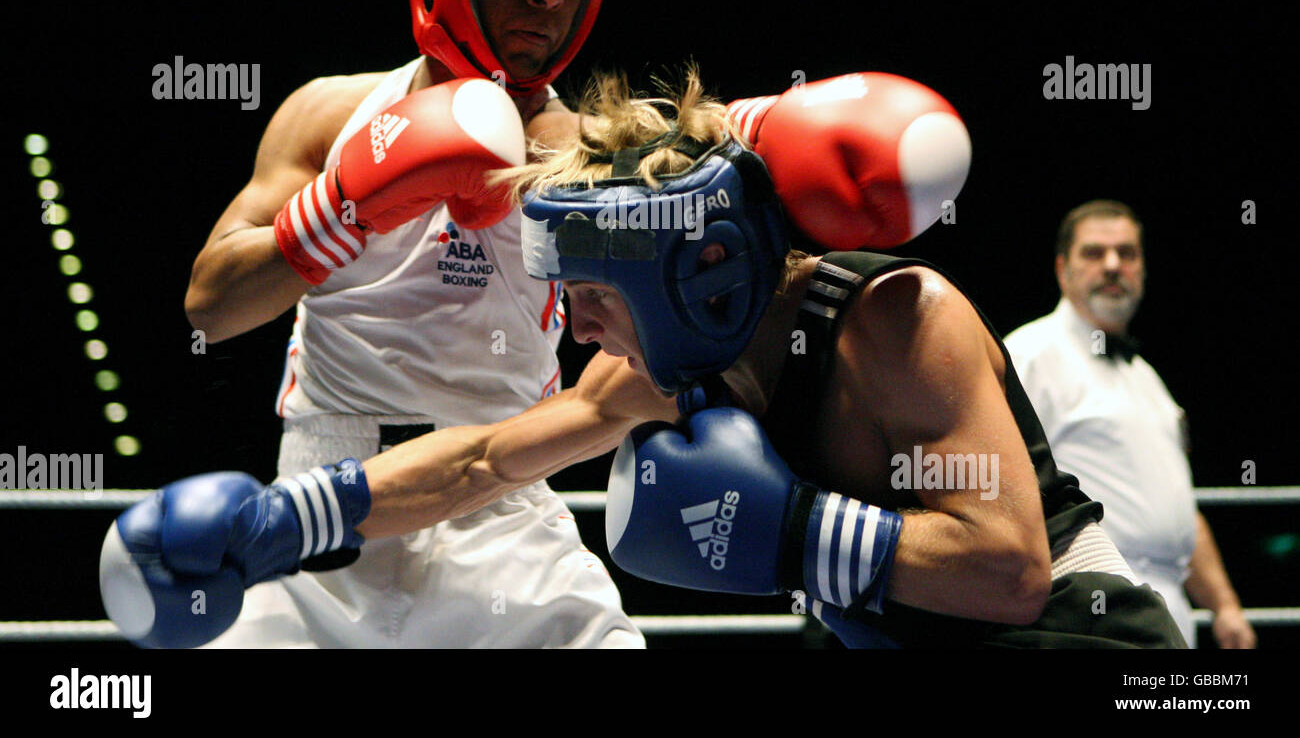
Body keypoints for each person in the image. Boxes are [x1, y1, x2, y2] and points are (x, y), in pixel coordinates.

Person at [101, 68, 977, 649]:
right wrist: (290, 520)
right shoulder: (638, 376)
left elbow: (1010, 577)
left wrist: (798, 537)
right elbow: (484, 457)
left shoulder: (892, 319)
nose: (579, 330)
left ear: (676, 271)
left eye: (592, 295)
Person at [176, 0, 643, 647]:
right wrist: (344, 205)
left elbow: (652, 363)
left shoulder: (598, 157)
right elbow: (209, 311)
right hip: (317, 509)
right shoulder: (330, 115)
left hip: (503, 509)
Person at [1002, 201, 1256, 649]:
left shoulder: (1146, 379)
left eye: (1127, 253)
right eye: (1095, 253)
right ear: (1063, 269)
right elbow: (999, 483)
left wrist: (1224, 606)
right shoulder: (1029, 357)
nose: (1114, 265)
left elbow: (1178, 508)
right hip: (1088, 606)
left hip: (1168, 606)